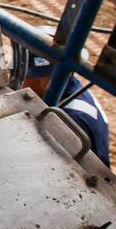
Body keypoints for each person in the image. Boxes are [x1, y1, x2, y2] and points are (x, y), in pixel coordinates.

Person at [20, 28, 111, 166]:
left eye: (26, 76)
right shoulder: (71, 87)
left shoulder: (71, 119)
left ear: (46, 79)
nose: (18, 82)